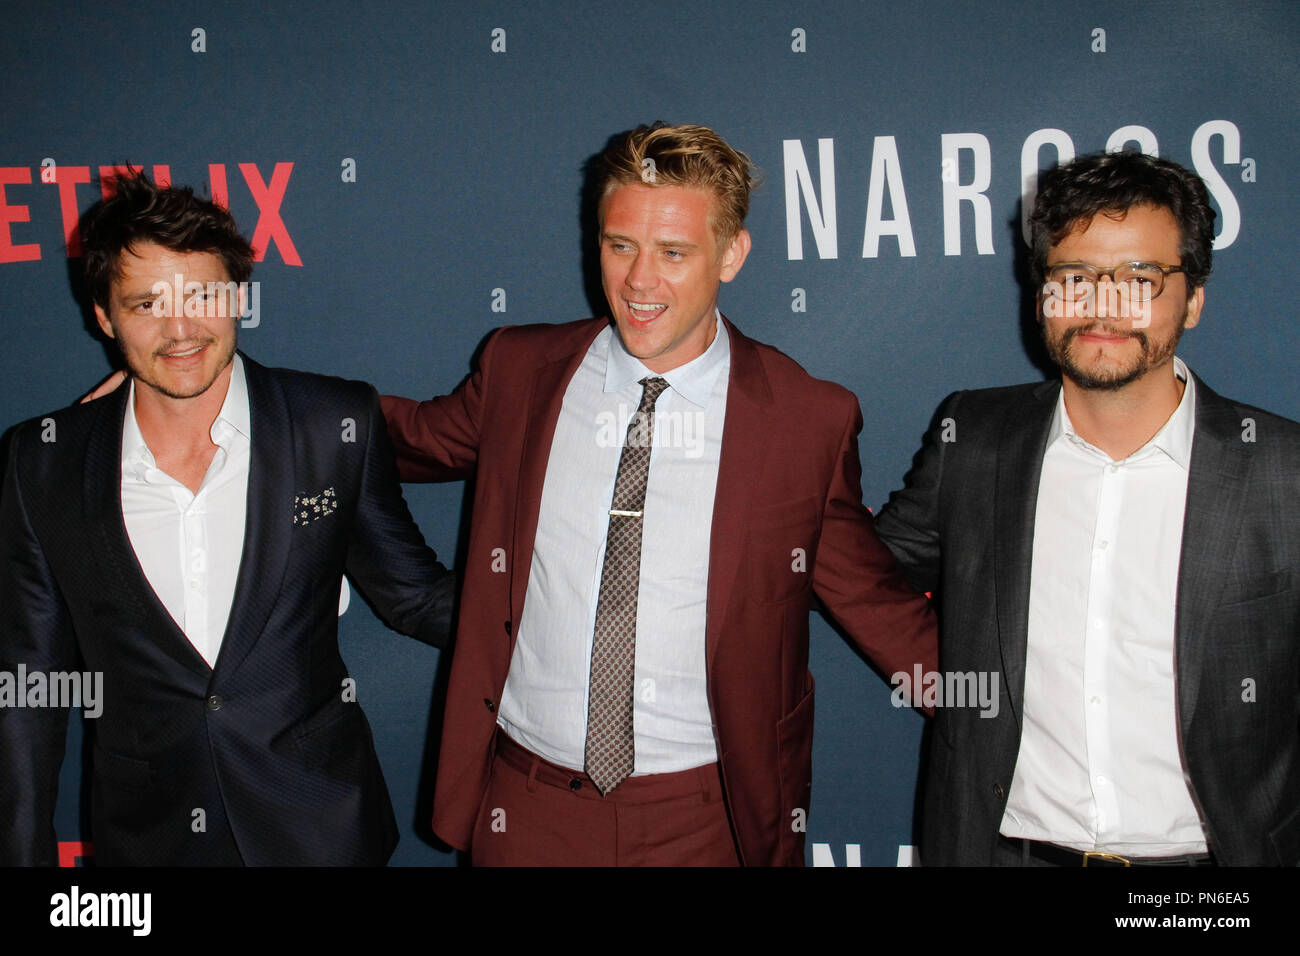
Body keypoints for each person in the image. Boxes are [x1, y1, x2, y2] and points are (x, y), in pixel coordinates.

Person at [382, 122, 937, 866]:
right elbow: (403, 437)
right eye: (620, 246)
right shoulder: (521, 372)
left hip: (705, 824)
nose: (640, 282)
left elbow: (879, 609)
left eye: (674, 253)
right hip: (526, 809)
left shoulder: (805, 421)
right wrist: (241, 395)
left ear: (732, 254)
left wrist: (1013, 714)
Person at [0, 171, 457, 866]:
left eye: (203, 295)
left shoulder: (331, 424)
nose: (180, 329)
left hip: (319, 831)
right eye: (147, 302)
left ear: (240, 296)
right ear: (103, 315)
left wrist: (581, 626)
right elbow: (29, 688)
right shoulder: (44, 462)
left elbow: (415, 597)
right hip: (146, 842)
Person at [874, 150, 1300, 866]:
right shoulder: (975, 443)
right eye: (1073, 277)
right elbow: (858, 571)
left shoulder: (1283, 470)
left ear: (1192, 298)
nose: (1102, 306)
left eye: (1141, 277)